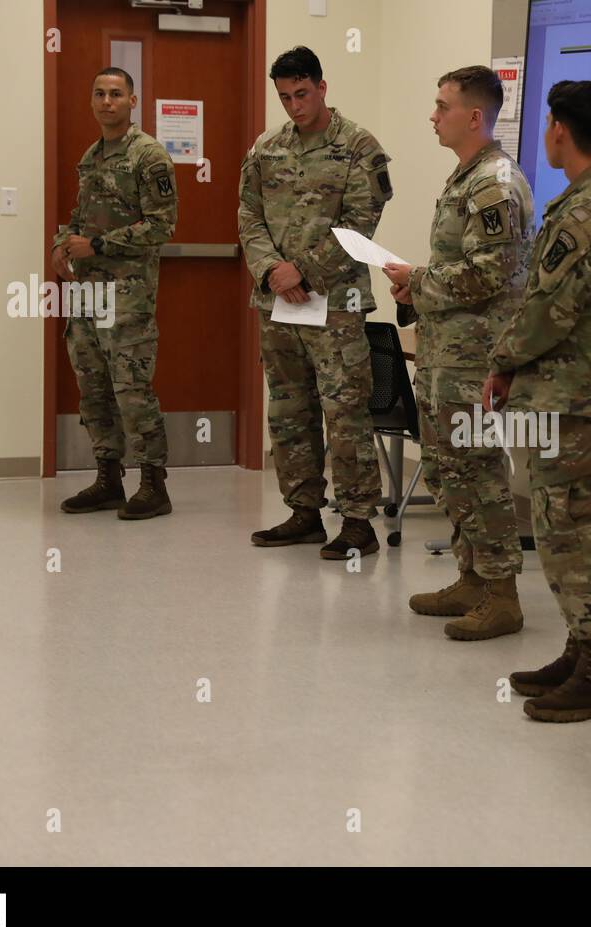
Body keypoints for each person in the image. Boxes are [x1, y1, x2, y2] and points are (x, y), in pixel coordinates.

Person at [486, 81, 591, 722]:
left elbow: (550, 309)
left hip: (578, 397)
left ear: (559, 130)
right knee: (565, 525)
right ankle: (582, 649)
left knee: (574, 529)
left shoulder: (585, 212)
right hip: (573, 393)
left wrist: (502, 360)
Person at [383, 66, 534, 641]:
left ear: (474, 116)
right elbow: (462, 270)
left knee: (478, 472)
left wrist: (418, 281)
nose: (432, 115)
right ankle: (472, 578)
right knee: (450, 470)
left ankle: (502, 595)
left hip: (476, 361)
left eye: (442, 106)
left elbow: (490, 274)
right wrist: (417, 287)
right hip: (448, 355)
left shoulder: (493, 183)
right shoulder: (464, 178)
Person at [238, 46, 393, 560]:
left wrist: (301, 269)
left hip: (337, 303)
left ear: (322, 87)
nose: (294, 106)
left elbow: (360, 222)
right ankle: (304, 511)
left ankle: (357, 521)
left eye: (302, 94)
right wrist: (270, 272)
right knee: (288, 409)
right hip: (280, 303)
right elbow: (248, 215)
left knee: (344, 411)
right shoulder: (266, 147)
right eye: (284, 97)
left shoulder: (357, 146)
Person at [54, 67, 177, 520]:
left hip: (127, 297)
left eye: (116, 94)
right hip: (87, 294)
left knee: (131, 387)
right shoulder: (91, 156)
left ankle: (152, 483)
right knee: (94, 387)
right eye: (100, 94)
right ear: (92, 101)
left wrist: (99, 245)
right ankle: (108, 477)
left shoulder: (148, 156)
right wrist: (61, 244)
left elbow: (162, 225)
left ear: (132, 101)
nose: (107, 101)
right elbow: (79, 216)